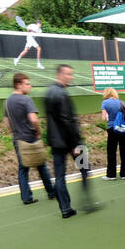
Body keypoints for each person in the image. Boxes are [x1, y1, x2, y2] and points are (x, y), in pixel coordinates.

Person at [5, 72, 55, 205]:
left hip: (18, 139)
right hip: (31, 138)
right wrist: (38, 133)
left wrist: (15, 132)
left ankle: (26, 197)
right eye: (27, 84)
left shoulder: (7, 101)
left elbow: (6, 121)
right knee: (42, 166)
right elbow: (34, 119)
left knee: (23, 169)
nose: (30, 86)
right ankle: (51, 192)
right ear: (18, 85)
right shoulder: (27, 100)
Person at [44, 63, 82, 219]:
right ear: (60, 75)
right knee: (85, 168)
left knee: (59, 176)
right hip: (68, 140)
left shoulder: (49, 93)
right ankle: (87, 200)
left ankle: (65, 208)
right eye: (68, 74)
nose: (70, 77)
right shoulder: (61, 94)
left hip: (55, 141)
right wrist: (75, 144)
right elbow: (67, 121)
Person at [100, 87, 125, 181]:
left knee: (111, 152)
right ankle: (124, 174)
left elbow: (103, 118)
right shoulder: (122, 103)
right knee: (123, 150)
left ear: (106, 94)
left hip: (112, 128)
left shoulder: (105, 103)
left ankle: (111, 174)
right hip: (123, 128)